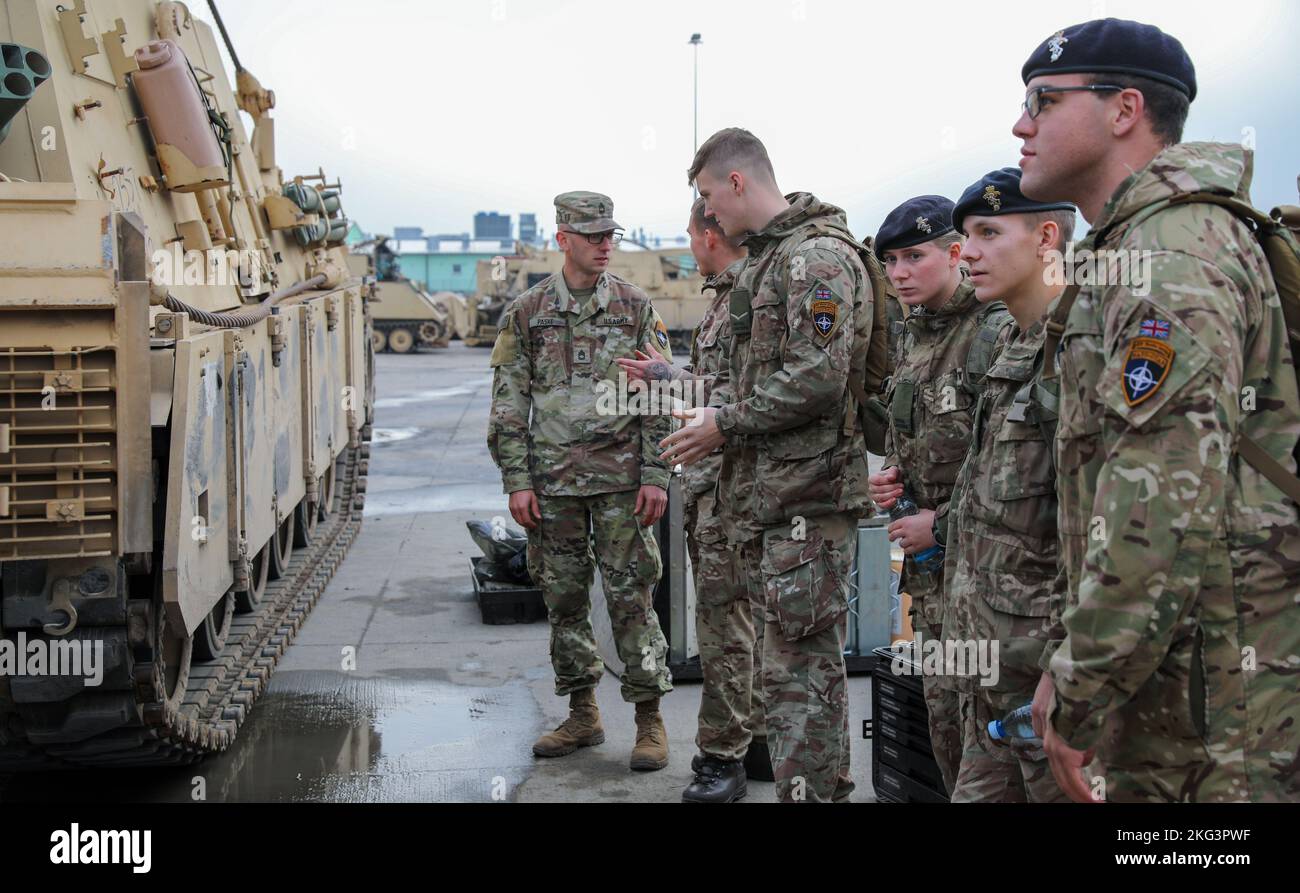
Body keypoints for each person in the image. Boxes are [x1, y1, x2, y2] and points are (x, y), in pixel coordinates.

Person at [1015, 18, 1300, 802]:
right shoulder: (1132, 248)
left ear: (1124, 110)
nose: (1021, 123)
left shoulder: (1170, 255)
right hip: (1176, 676)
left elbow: (1159, 506)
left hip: (1211, 708)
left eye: (1043, 100)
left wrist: (1080, 687)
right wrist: (1071, 665)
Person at [660, 127, 874, 802]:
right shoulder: (769, 260)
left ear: (736, 182)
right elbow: (747, 374)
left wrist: (724, 422)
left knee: (801, 681)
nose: (706, 214)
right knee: (787, 677)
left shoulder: (815, 258)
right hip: (771, 504)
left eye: (705, 195)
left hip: (805, 506)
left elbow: (819, 379)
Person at [486, 191, 676, 772]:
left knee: (631, 599)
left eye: (609, 235)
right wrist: (517, 479)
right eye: (592, 235)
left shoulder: (635, 307)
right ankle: (582, 713)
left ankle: (649, 719)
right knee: (563, 599)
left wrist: (656, 473)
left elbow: (660, 394)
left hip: (622, 484)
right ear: (562, 237)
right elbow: (508, 403)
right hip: (554, 486)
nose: (604, 245)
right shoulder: (527, 311)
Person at [617, 198, 765, 802]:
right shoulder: (728, 298)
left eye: (691, 235)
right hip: (719, 490)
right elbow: (728, 390)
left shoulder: (741, 301)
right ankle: (754, 745)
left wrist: (676, 386)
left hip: (730, 492)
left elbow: (747, 397)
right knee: (739, 623)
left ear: (710, 236)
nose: (689, 245)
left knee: (725, 627)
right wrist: (670, 379)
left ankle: (721, 757)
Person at [867, 195, 1014, 795]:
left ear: (956, 253)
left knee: (991, 736)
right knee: (946, 725)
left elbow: (1009, 466)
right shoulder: (914, 334)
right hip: (931, 582)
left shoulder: (995, 331)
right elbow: (918, 432)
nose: (899, 273)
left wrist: (942, 524)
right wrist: (894, 478)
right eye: (891, 262)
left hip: (986, 574)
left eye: (914, 257)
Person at [941, 168, 1075, 802]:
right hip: (989, 668)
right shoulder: (1015, 350)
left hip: (1049, 683)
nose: (967, 252)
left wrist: (1070, 674)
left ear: (1047, 237)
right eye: (967, 235)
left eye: (989, 233)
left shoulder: (1083, 353)